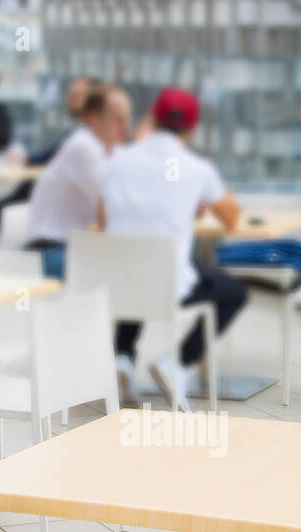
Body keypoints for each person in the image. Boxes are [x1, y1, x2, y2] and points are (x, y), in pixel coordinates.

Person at [102, 87, 245, 409]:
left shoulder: (117, 160)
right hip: (165, 285)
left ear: (152, 118)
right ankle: (176, 364)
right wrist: (191, 200)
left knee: (137, 267)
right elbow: (232, 218)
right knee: (234, 292)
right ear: (192, 128)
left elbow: (102, 219)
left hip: (114, 281)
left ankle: (123, 358)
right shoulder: (196, 168)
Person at [25, 83, 131, 280]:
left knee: (130, 270)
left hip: (67, 249)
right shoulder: (84, 147)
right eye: (118, 119)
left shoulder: (107, 150)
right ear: (92, 118)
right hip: (49, 252)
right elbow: (114, 205)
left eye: (127, 118)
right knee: (126, 273)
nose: (125, 128)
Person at [28, 74, 100, 166]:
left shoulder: (87, 136)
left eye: (75, 96)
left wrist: (26, 159)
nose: (69, 99)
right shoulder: (79, 131)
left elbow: (52, 156)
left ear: (92, 100)